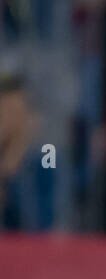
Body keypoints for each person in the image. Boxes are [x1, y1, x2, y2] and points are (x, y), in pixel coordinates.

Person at [0, 74, 59, 231]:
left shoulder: (47, 154)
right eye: (4, 110)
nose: (7, 118)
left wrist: (16, 153)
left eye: (13, 110)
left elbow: (41, 219)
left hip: (32, 241)